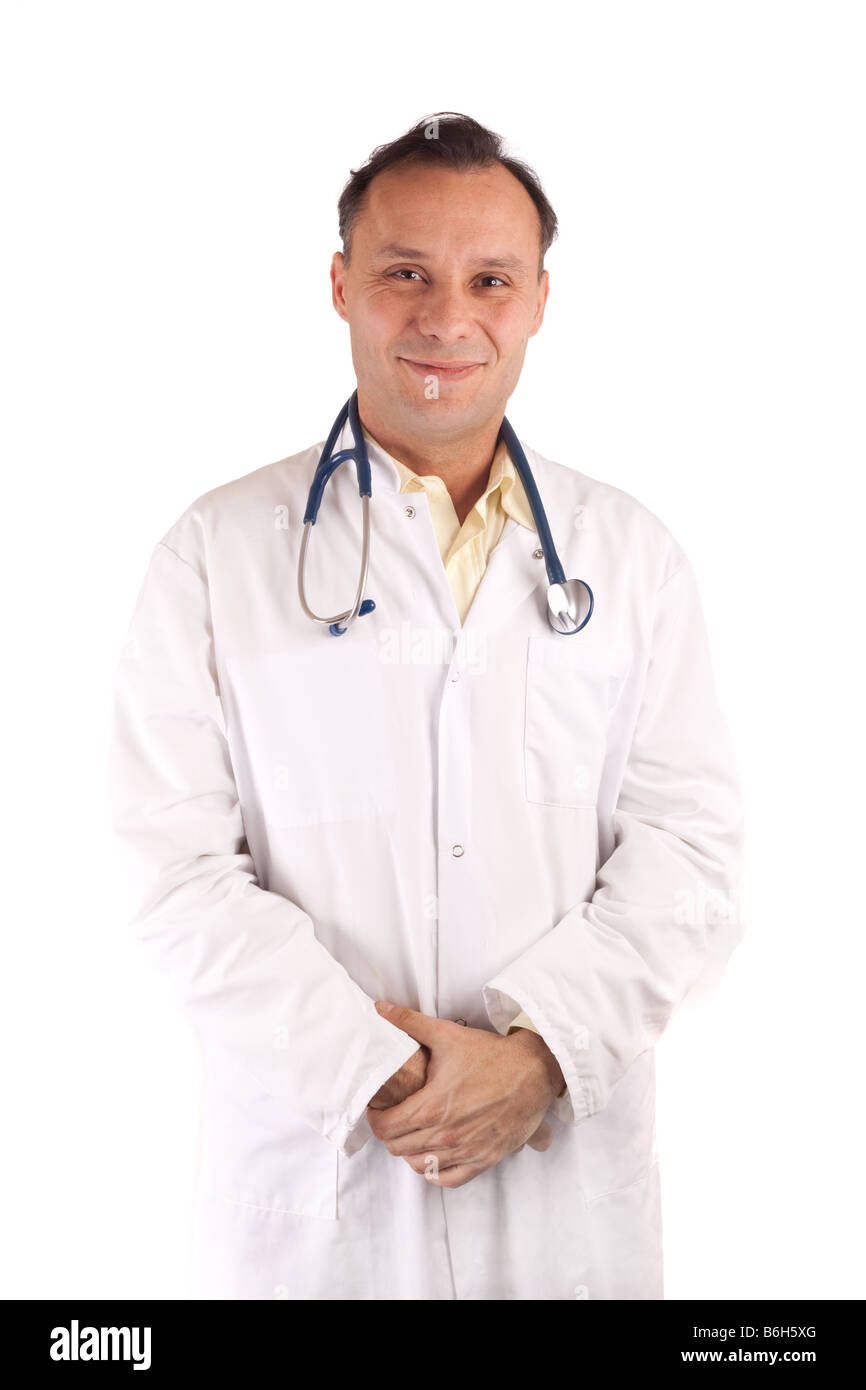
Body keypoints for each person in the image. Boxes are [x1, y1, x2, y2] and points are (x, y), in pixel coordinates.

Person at [109, 112, 744, 1300]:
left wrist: (540, 1054)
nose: (447, 318)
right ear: (341, 286)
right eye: (405, 273)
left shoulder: (631, 556)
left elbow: (690, 851)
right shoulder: (218, 553)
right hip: (317, 1207)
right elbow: (170, 871)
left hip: (565, 1211)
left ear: (539, 301)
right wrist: (378, 1072)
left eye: (487, 279)